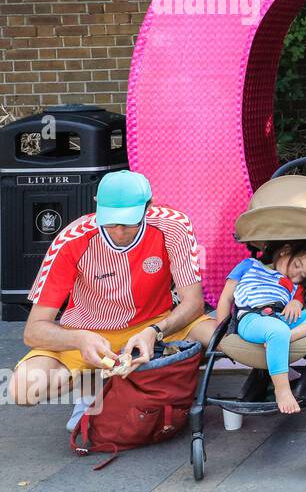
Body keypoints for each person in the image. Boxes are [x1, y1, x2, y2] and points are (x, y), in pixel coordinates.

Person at [7, 170, 206, 429]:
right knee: (22, 390)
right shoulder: (71, 239)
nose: (119, 231)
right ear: (96, 205)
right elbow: (33, 331)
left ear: (149, 207)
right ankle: (93, 386)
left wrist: (154, 331)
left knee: (219, 336)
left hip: (155, 322)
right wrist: (79, 339)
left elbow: (194, 302)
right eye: (110, 222)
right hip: (88, 332)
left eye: (128, 222)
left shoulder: (174, 225)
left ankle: (175, 380)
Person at [218, 243, 306, 413]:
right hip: (252, 318)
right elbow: (226, 299)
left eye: (303, 276)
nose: (296, 275)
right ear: (285, 250)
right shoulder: (249, 265)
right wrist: (220, 334)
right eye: (297, 265)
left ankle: (291, 336)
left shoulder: (295, 286)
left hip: (281, 318)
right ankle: (282, 390)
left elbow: (298, 301)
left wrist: (296, 302)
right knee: (277, 329)